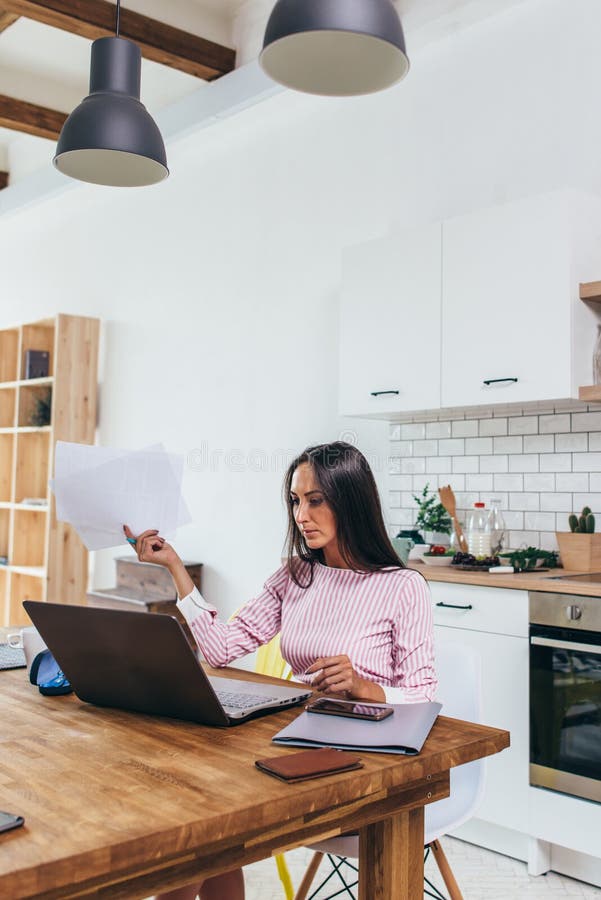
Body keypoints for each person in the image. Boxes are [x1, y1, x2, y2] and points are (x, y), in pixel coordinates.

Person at [125, 441, 437, 900]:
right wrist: (174, 565)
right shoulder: (295, 575)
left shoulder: (403, 586)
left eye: (315, 500)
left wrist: (367, 687)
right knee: (202, 822)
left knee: (203, 832)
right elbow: (219, 649)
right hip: (297, 741)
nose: (301, 514)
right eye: (295, 501)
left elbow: (425, 694)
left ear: (349, 500)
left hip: (365, 762)